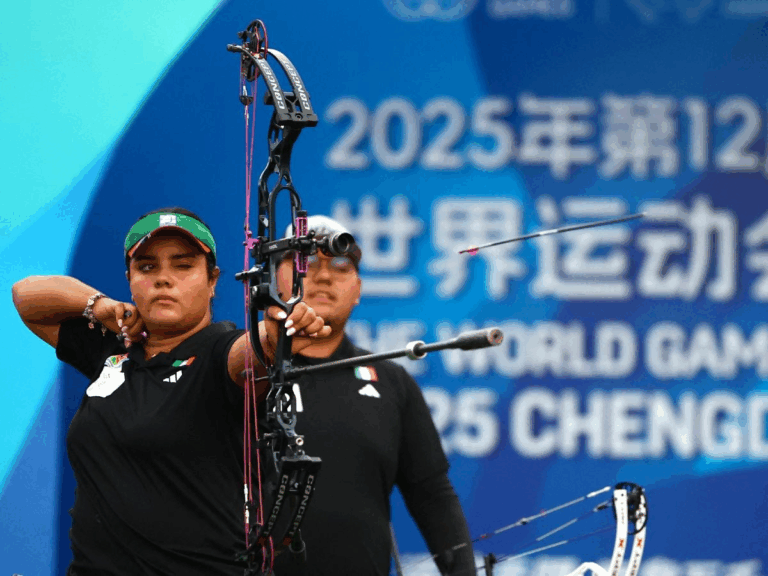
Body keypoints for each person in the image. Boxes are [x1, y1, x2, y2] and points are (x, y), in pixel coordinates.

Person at [11, 207, 330, 576]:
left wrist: (279, 332)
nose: (163, 279)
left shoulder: (220, 353)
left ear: (212, 280)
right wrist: (101, 307)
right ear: (129, 279)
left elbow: (257, 350)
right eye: (147, 267)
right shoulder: (115, 349)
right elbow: (25, 295)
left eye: (183, 266)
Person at [270, 216, 478, 576]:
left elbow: (433, 498)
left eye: (340, 265)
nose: (323, 276)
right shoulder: (240, 374)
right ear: (274, 279)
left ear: (358, 289)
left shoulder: (391, 382)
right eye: (307, 262)